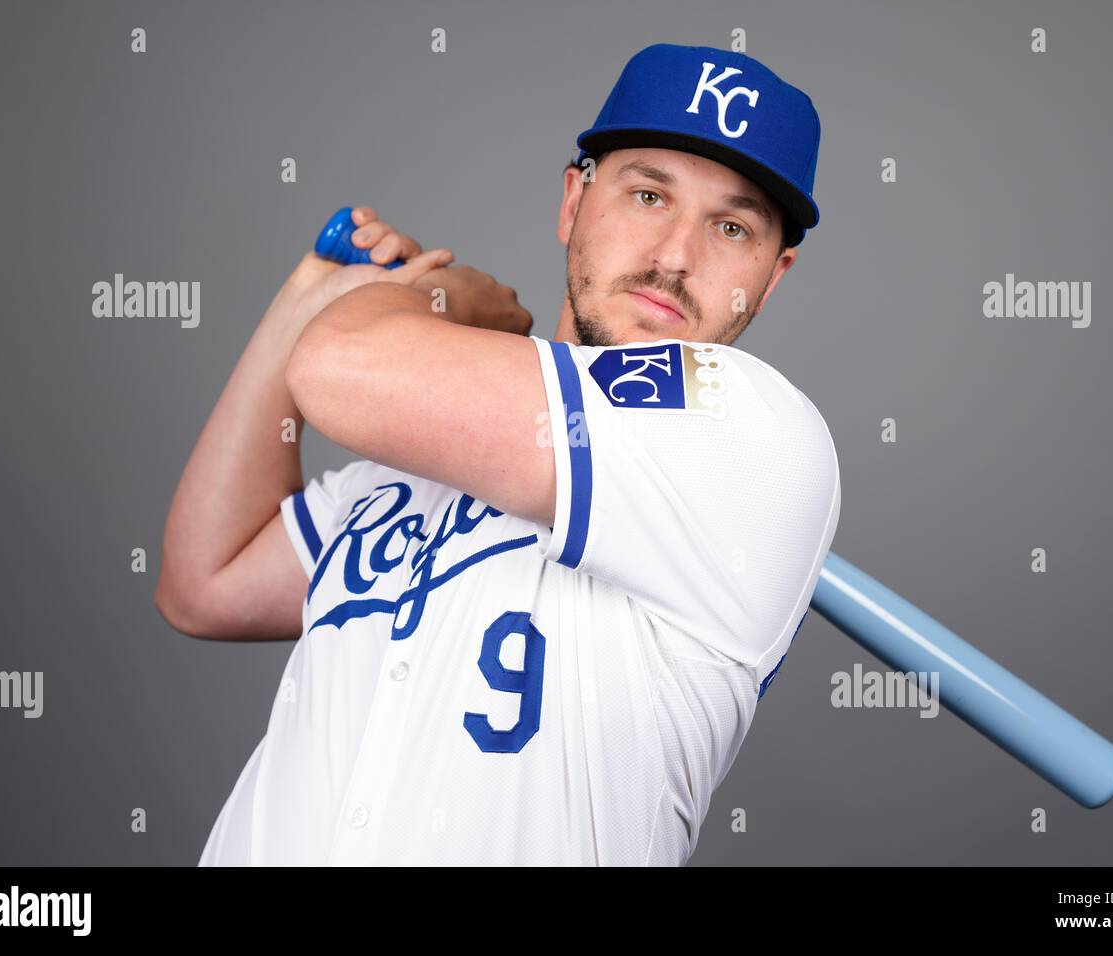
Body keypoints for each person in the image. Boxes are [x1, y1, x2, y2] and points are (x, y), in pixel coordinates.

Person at [157, 42, 840, 865]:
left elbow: (337, 368)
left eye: (731, 226)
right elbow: (208, 581)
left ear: (772, 277)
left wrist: (431, 299)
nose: (675, 255)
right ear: (573, 202)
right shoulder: (413, 458)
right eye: (648, 193)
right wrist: (307, 302)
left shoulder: (754, 433)